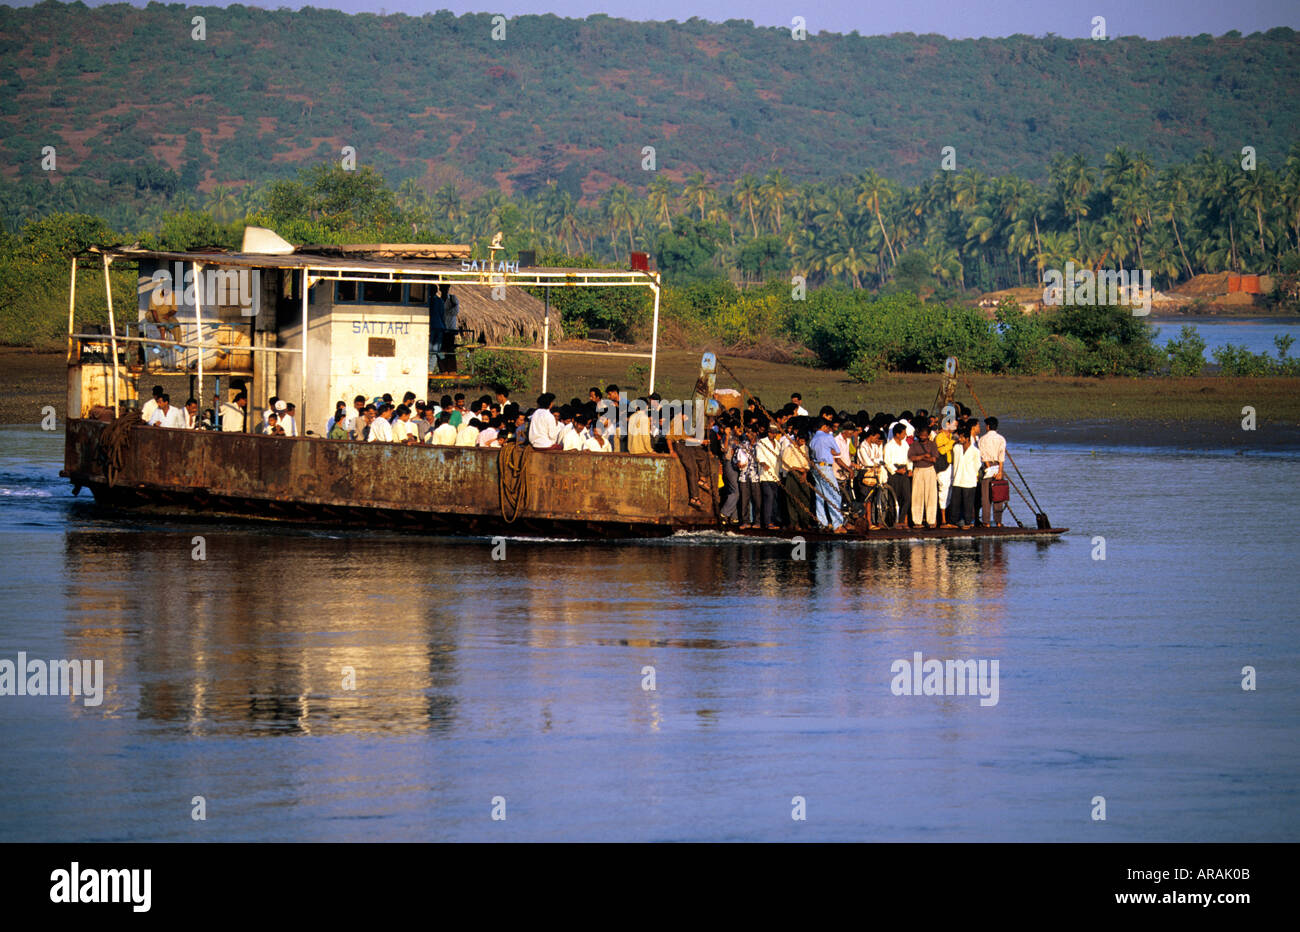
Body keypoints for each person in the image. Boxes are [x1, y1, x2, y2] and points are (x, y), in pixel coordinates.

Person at [809, 418, 845, 532]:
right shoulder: (828, 437)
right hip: (825, 467)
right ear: (824, 427)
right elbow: (837, 451)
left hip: (815, 467)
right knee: (833, 494)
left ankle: (822, 523)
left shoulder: (813, 439)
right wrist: (829, 451)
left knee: (819, 495)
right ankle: (837, 525)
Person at [780, 429, 813, 530]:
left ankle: (805, 521)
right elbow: (785, 464)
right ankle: (794, 522)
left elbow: (807, 463)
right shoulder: (789, 448)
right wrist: (798, 469)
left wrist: (805, 473)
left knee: (805, 498)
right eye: (802, 441)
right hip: (792, 474)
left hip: (803, 474)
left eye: (804, 441)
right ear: (797, 438)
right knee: (793, 499)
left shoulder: (805, 448)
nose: (803, 443)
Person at [908, 423, 940, 529]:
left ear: (928, 435)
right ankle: (917, 521)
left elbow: (933, 459)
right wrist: (924, 456)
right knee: (917, 496)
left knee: (931, 495)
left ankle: (931, 520)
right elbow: (912, 458)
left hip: (930, 470)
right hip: (918, 470)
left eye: (925, 435)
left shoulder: (932, 444)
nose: (923, 437)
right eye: (921, 435)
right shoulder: (914, 444)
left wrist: (920, 457)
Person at [950, 425, 981, 529]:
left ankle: (967, 522)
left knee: (968, 503)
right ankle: (953, 522)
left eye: (962, 437)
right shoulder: (956, 448)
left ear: (967, 439)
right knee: (955, 502)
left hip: (969, 480)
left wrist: (972, 473)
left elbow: (977, 465)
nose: (960, 439)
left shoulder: (975, 451)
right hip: (957, 479)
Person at [978, 416, 1007, 527]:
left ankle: (986, 522)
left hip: (987, 466)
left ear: (988, 426)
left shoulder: (982, 439)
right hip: (998, 466)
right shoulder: (1001, 439)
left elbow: (983, 456)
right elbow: (1001, 456)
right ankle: (998, 521)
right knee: (998, 495)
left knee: (986, 496)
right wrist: (1000, 471)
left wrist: (989, 468)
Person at [755, 423, 783, 530]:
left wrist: (780, 473)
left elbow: (779, 460)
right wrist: (763, 463)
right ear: (768, 432)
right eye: (771, 432)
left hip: (775, 476)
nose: (773, 434)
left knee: (774, 499)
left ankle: (774, 520)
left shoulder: (778, 444)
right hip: (765, 475)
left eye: (774, 433)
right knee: (769, 497)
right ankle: (767, 522)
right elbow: (759, 456)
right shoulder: (762, 443)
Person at [884, 424, 912, 524]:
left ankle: (901, 520)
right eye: (903, 433)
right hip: (894, 472)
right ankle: (893, 521)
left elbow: (909, 457)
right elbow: (887, 461)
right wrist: (896, 470)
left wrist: (910, 469)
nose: (905, 435)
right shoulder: (889, 445)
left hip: (904, 470)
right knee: (894, 497)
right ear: (897, 434)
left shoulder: (905, 444)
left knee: (907, 498)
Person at [733, 426, 760, 528]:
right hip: (743, 476)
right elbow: (734, 459)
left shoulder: (760, 445)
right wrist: (737, 464)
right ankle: (746, 521)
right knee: (744, 500)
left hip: (755, 476)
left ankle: (757, 521)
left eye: (749, 432)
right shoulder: (742, 445)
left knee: (757, 500)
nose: (747, 435)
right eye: (747, 433)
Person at [934, 416, 956, 528]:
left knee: (950, 490)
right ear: (946, 424)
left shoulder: (952, 436)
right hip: (943, 467)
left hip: (951, 465)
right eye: (953, 424)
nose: (955, 426)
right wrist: (952, 443)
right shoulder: (940, 437)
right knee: (943, 490)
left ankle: (948, 518)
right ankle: (942, 519)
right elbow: (941, 450)